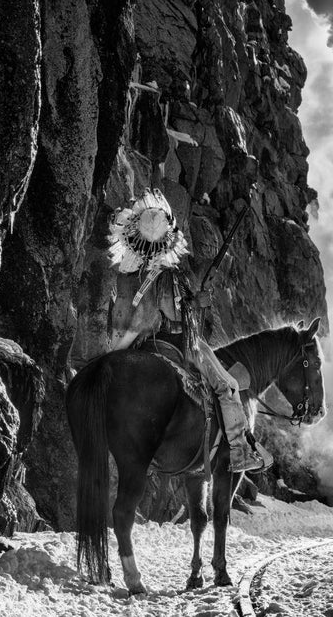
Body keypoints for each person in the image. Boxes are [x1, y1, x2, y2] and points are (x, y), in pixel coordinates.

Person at [107, 188, 272, 474]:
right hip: (181, 343)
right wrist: (196, 305)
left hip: (148, 343)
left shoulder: (132, 274)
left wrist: (196, 301)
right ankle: (238, 450)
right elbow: (170, 317)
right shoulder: (167, 275)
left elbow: (132, 320)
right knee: (228, 385)